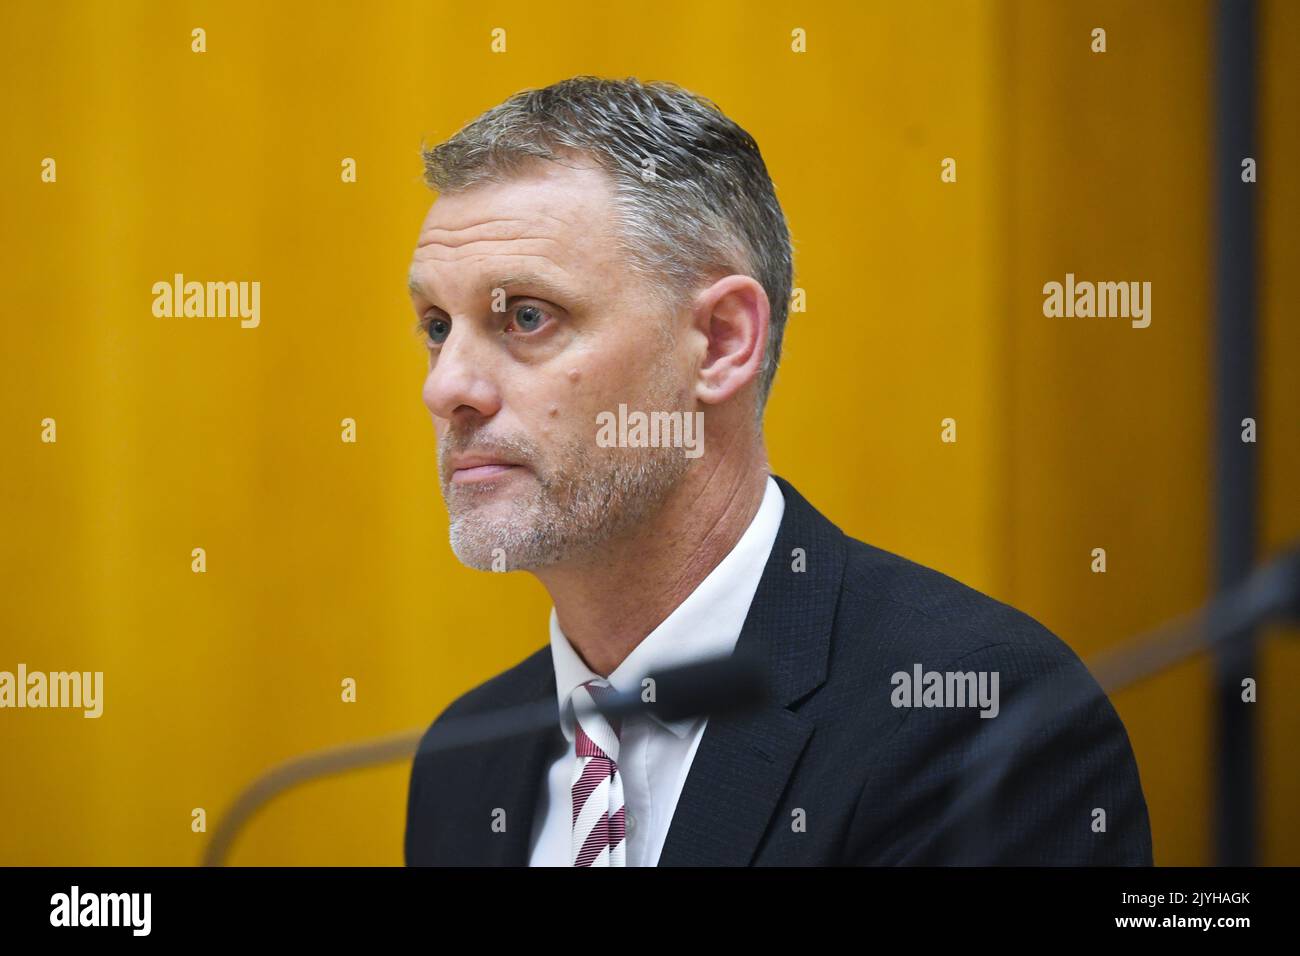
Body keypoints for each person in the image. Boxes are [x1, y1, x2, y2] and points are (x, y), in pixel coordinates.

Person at [403, 76, 1152, 866]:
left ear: (723, 342)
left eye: (526, 315)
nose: (446, 387)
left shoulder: (977, 714)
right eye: (436, 325)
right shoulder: (466, 756)